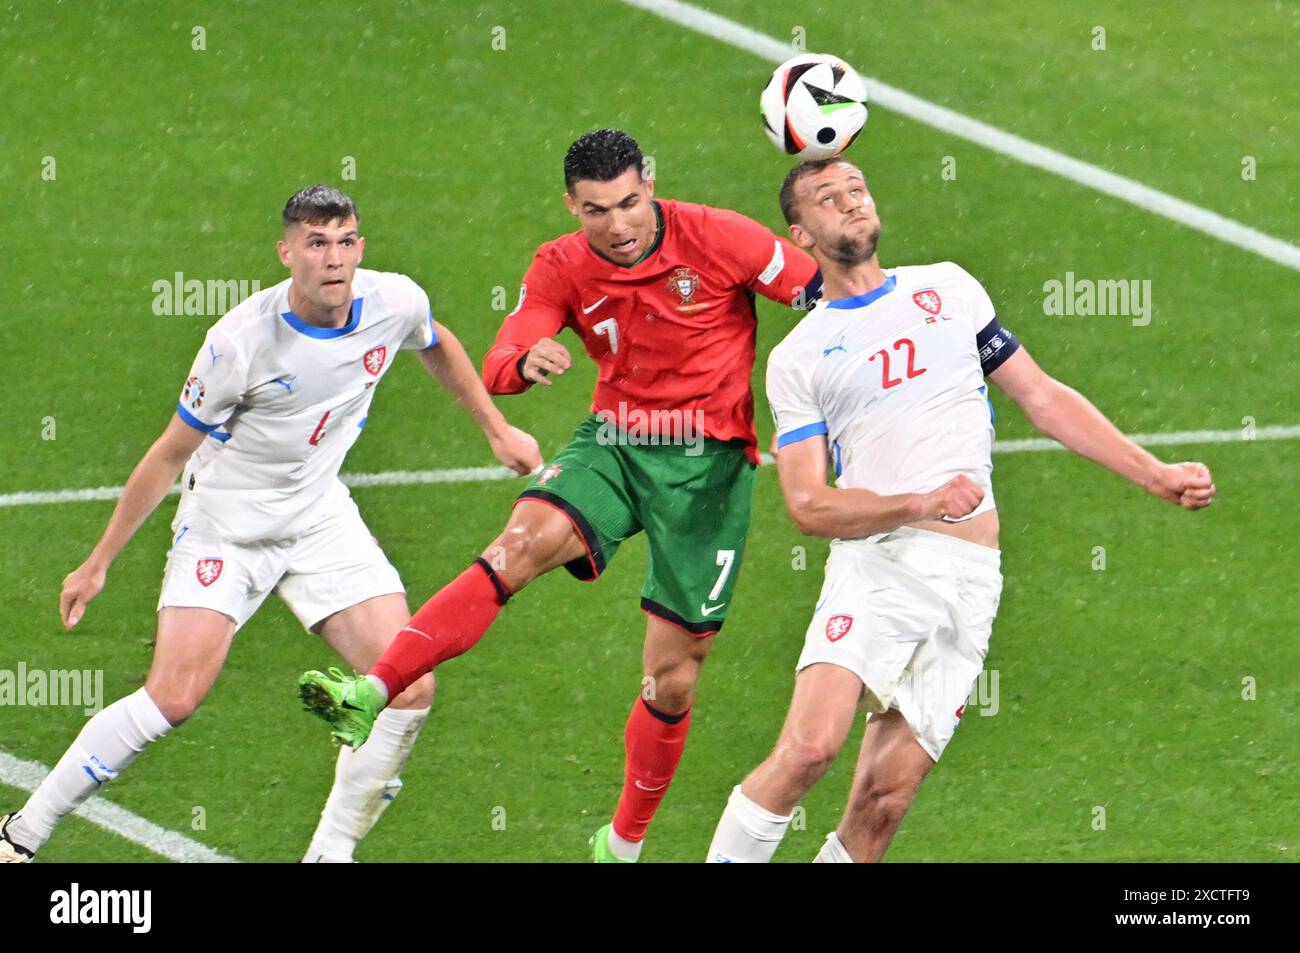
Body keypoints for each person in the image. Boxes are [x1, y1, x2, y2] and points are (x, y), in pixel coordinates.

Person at [298, 129, 822, 862]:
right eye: (596, 210)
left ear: (651, 185)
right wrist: (524, 358)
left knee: (671, 678)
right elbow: (505, 354)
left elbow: (832, 300)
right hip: (612, 446)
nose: (618, 225)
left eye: (630, 203)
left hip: (708, 474)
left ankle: (621, 843)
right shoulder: (562, 263)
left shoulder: (722, 237)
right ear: (571, 207)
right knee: (513, 547)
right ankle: (372, 693)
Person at [0, 185, 540, 864]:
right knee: (173, 697)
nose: (334, 258)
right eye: (316, 243)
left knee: (406, 683)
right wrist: (100, 559)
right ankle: (20, 834)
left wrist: (495, 426)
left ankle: (329, 853)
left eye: (345, 241)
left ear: (360, 247)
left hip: (318, 514)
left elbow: (433, 340)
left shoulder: (395, 300)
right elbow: (170, 451)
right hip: (227, 526)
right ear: (287, 253)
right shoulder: (238, 343)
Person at [705, 158, 1216, 863]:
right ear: (801, 233)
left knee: (883, 803)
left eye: (857, 188)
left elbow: (1040, 396)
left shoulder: (948, 288)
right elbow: (807, 502)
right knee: (809, 749)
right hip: (879, 566)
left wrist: (1152, 472)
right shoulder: (801, 356)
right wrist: (920, 501)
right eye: (828, 199)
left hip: (972, 578)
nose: (850, 203)